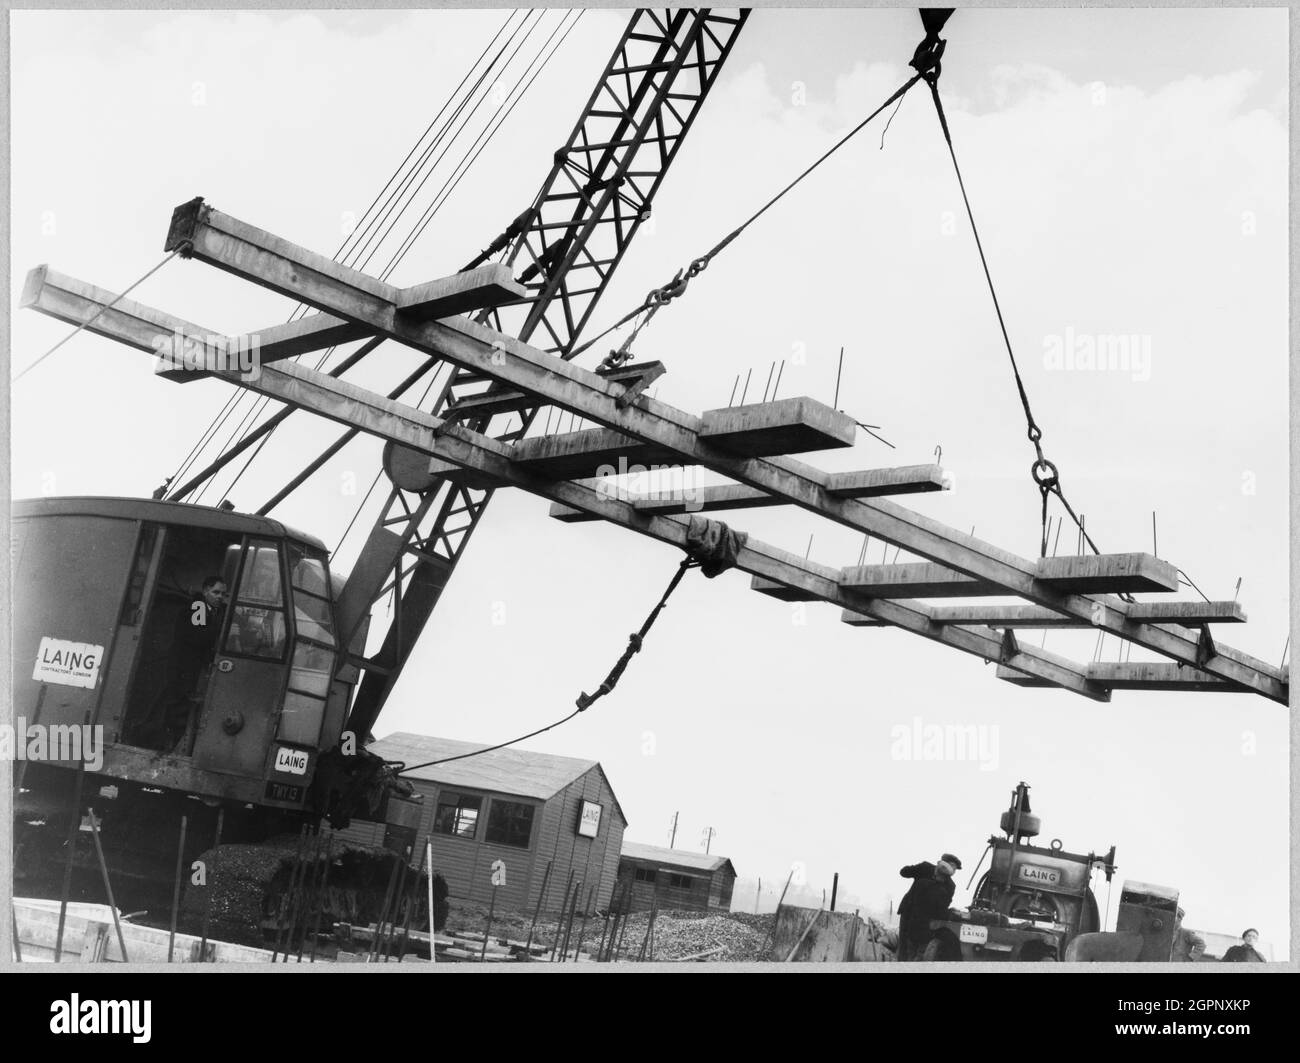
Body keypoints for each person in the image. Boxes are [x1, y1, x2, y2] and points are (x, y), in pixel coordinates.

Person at [138, 576, 228, 752]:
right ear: (205, 591)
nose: (219, 597)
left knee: (176, 705)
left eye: (223, 594)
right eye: (215, 592)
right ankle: (165, 744)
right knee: (177, 705)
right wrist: (222, 629)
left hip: (187, 667)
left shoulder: (209, 610)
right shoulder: (199, 607)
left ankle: (166, 743)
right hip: (184, 667)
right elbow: (199, 637)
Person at [897, 853, 961, 960]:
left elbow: (942, 907)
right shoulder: (925, 868)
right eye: (952, 866)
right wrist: (915, 871)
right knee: (904, 944)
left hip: (925, 918)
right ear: (944, 863)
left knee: (916, 948)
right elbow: (904, 872)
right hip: (908, 910)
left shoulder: (950, 885)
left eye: (955, 869)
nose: (953, 870)